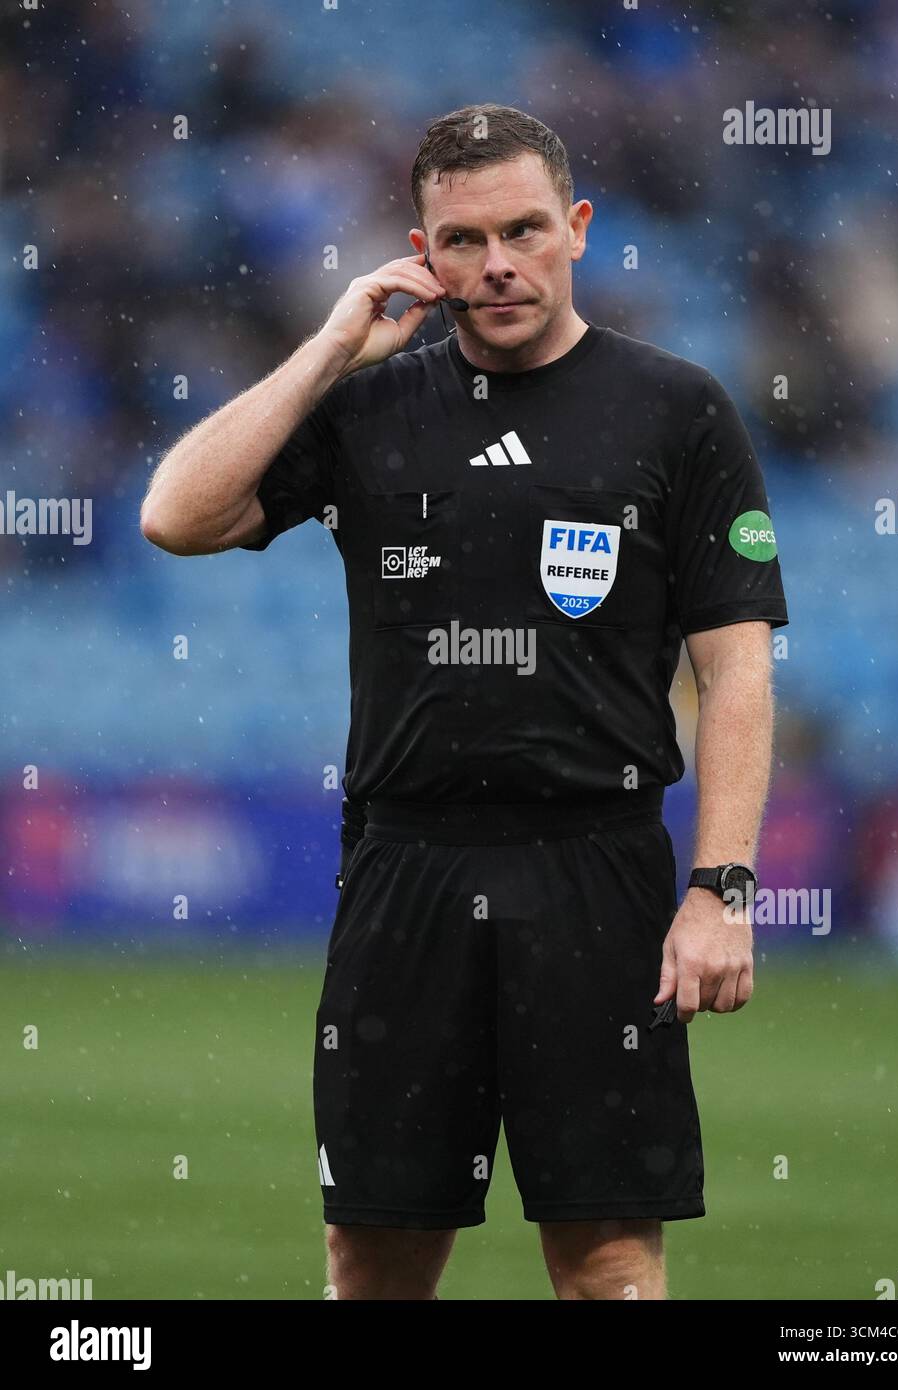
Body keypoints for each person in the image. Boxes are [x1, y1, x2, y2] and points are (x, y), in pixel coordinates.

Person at [141, 103, 789, 1300]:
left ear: (579, 227)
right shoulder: (372, 406)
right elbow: (176, 515)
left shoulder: (676, 408)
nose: (498, 263)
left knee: (605, 1260)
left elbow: (736, 669)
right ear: (419, 253)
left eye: (527, 230)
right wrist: (332, 346)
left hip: (597, 869)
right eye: (464, 239)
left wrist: (720, 889)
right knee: (374, 1256)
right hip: (405, 867)